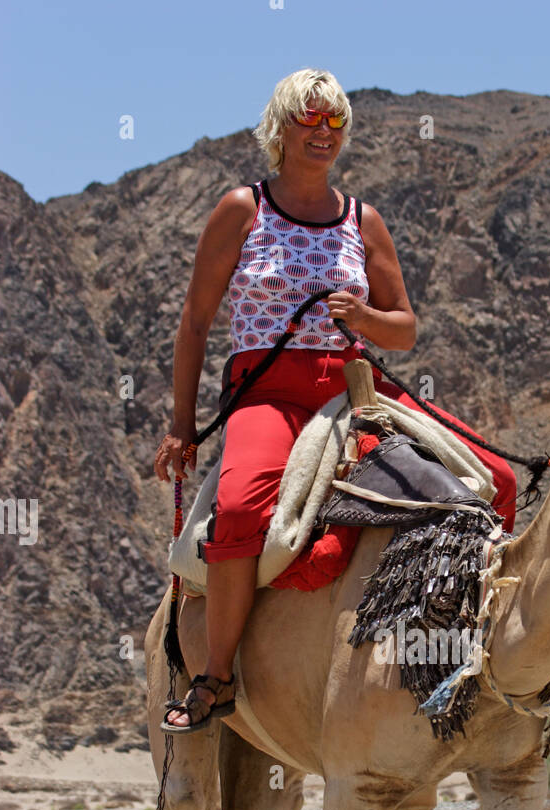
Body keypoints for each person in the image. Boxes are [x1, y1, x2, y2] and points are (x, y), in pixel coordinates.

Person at [154, 68, 518, 731]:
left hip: (355, 387)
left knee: (492, 478)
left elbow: (404, 328)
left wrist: (364, 318)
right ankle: (217, 675)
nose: (323, 133)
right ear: (280, 128)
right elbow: (195, 324)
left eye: (335, 122)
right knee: (238, 508)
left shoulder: (362, 219)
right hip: (268, 391)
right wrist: (182, 426)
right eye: (309, 120)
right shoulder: (244, 208)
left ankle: (486, 663)